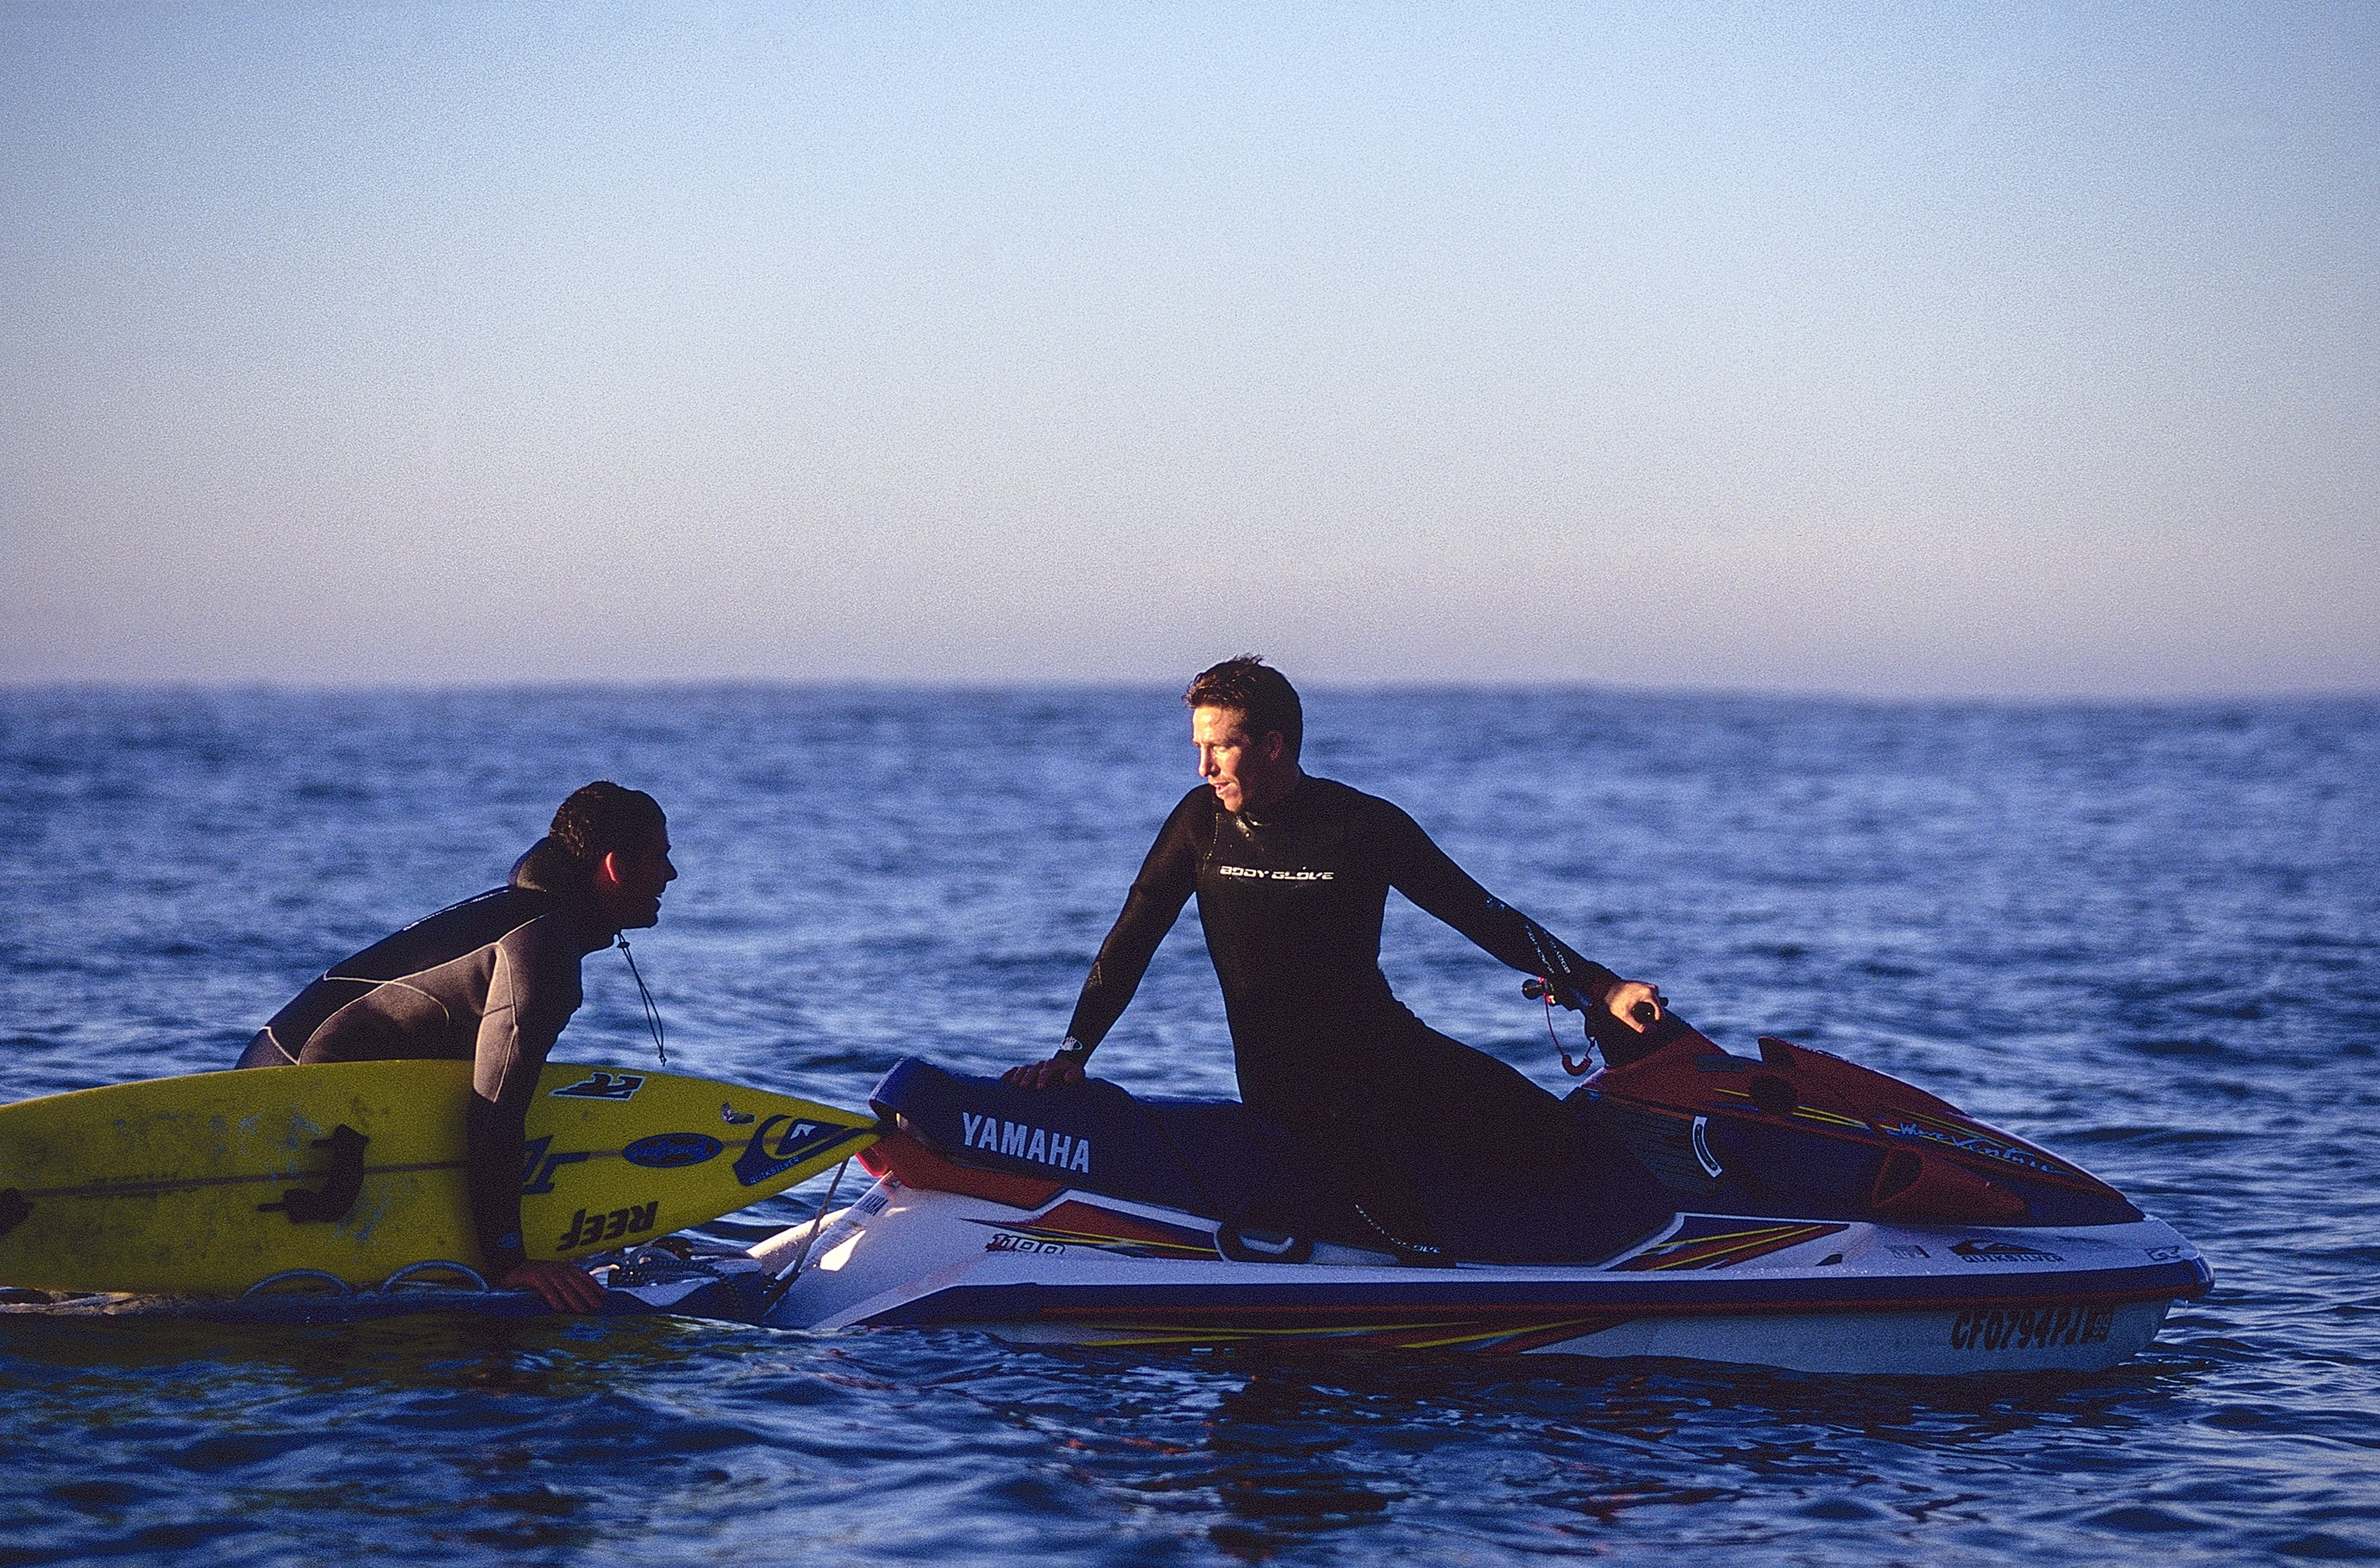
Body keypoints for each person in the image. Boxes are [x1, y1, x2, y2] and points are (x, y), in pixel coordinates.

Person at [1005, 657, 1664, 1264]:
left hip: (1390, 1054)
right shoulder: (1199, 824)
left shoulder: (1359, 825)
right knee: (1404, 1228)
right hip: (1290, 1085)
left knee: (1561, 1138)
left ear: (1272, 744)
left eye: (1220, 747)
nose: (1204, 767)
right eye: (1198, 747)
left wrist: (1601, 987)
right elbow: (1132, 937)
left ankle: (1612, 1274)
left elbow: (1479, 914)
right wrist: (1073, 1054)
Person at [237, 781, 678, 1311]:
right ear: (613, 867)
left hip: (286, 1065)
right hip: (300, 1086)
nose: (670, 874)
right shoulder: (542, 948)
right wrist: (511, 1260)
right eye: (660, 857)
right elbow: (494, 1110)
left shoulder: (527, 919)